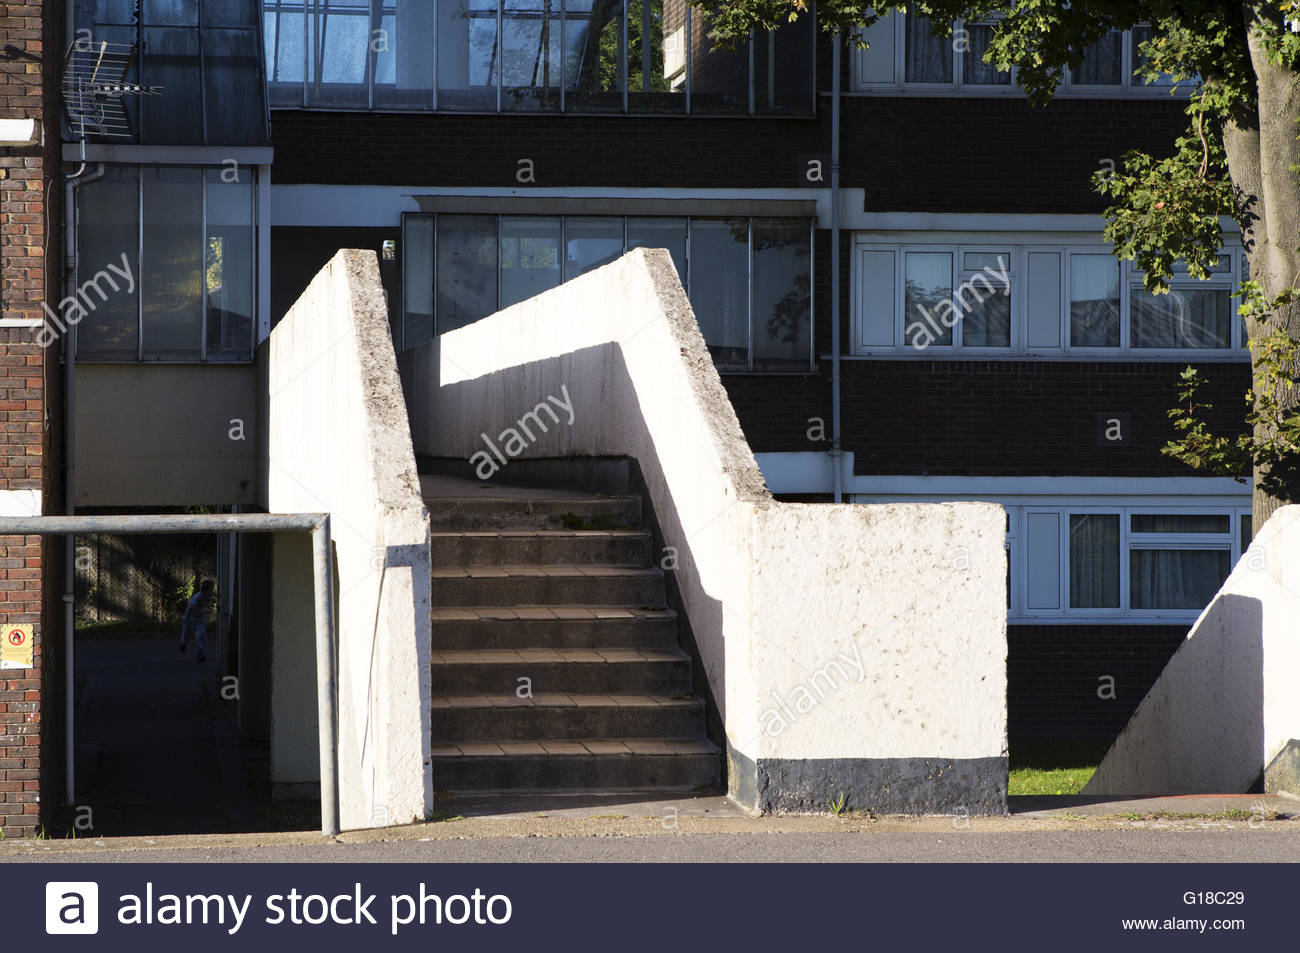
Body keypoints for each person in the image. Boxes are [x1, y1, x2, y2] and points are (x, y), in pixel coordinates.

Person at [179, 579, 216, 662]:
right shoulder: (198, 596)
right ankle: (183, 643)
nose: (211, 591)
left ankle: (201, 653)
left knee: (200, 635)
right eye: (210, 589)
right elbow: (191, 605)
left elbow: (209, 603)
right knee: (186, 633)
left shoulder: (209, 596)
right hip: (189, 618)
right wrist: (202, 610)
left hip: (199, 618)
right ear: (205, 590)